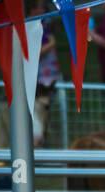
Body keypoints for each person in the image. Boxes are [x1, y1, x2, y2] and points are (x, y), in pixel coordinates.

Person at [30, 0, 61, 147]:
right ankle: (36, 145)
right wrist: (50, 45)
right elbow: (34, 55)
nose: (43, 10)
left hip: (48, 79)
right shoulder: (31, 28)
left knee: (44, 117)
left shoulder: (44, 26)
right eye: (39, 7)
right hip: (38, 81)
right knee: (37, 116)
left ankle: (41, 145)